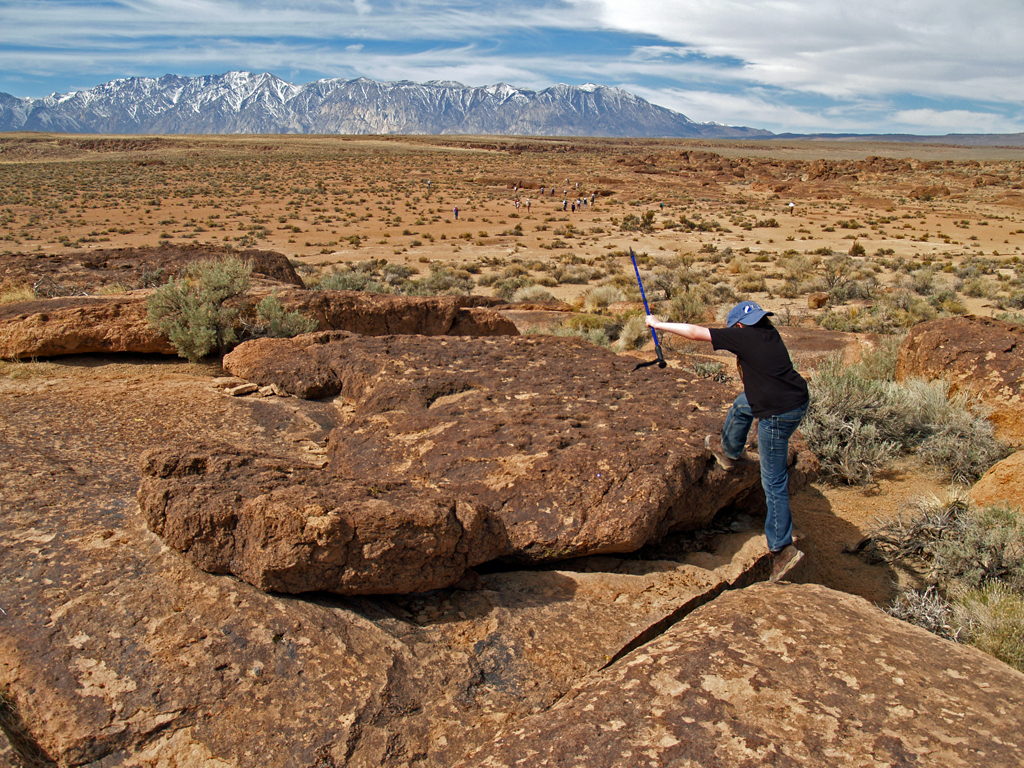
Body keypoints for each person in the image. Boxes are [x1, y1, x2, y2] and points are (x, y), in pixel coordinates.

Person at [645, 301, 810, 583]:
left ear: (739, 326)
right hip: (796, 398)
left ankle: (782, 550)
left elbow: (695, 332)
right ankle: (729, 450)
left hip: (777, 413)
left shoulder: (742, 335)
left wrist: (658, 325)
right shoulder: (768, 331)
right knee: (742, 404)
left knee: (774, 483)